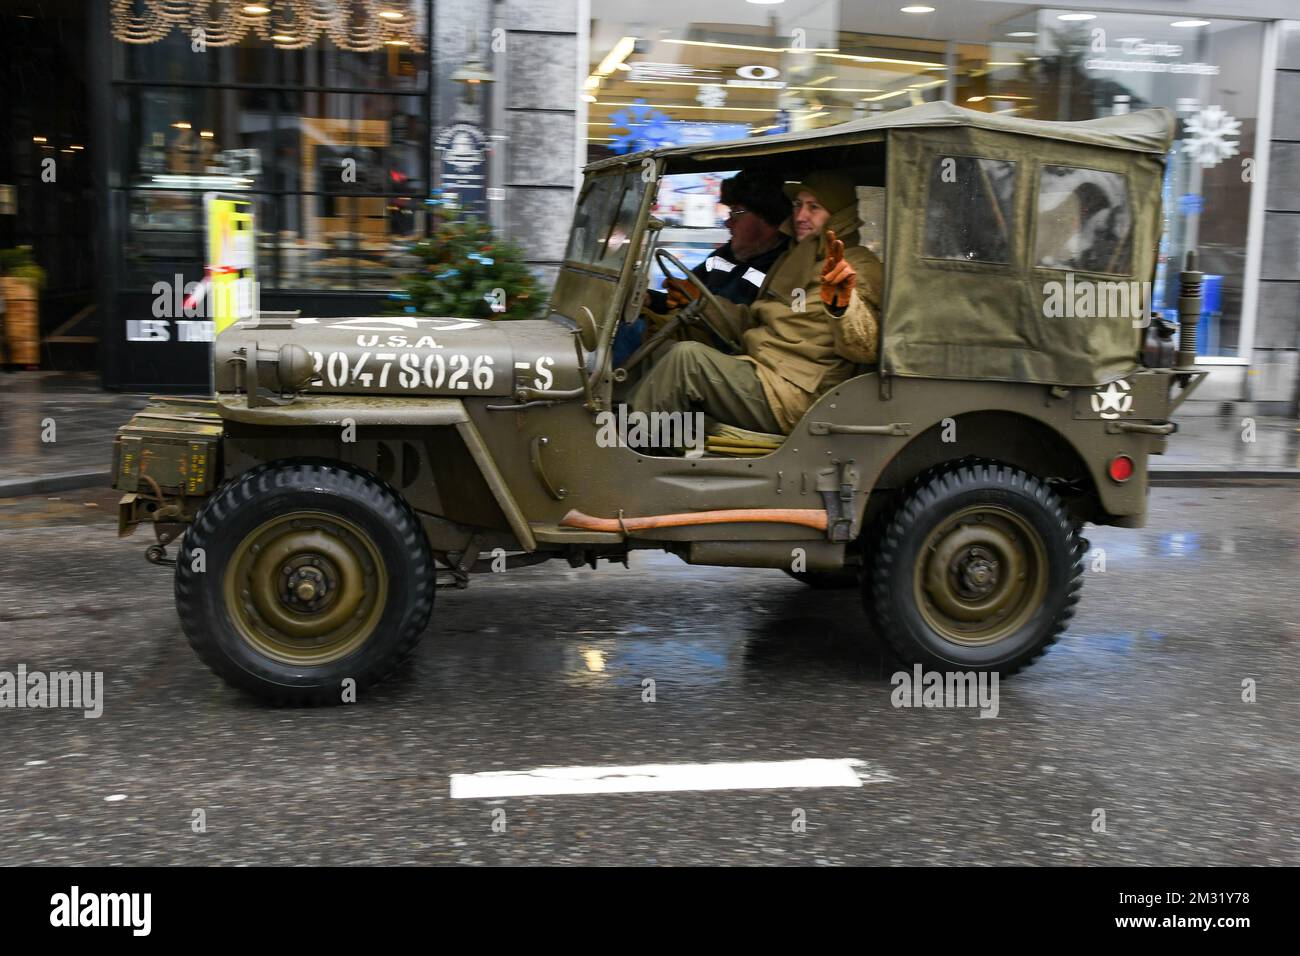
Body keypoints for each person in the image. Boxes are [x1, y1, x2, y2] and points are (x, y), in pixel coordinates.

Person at [624, 170, 882, 436]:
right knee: (661, 348)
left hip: (794, 392)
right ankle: (632, 428)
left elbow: (864, 347)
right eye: (798, 206)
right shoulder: (795, 257)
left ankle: (625, 447)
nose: (801, 216)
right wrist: (702, 302)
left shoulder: (856, 265)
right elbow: (753, 321)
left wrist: (843, 306)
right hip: (759, 366)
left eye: (813, 208)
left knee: (685, 360)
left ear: (840, 215)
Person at [612, 169, 790, 366]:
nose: (728, 222)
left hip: (717, 350)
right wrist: (650, 298)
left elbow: (747, 327)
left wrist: (698, 299)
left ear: (765, 217)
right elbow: (685, 298)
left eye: (737, 213)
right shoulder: (725, 255)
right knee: (617, 320)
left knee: (630, 331)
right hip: (683, 327)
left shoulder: (780, 268)